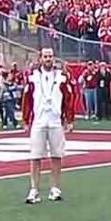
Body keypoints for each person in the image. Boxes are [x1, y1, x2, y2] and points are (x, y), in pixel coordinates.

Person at [22, 49, 75, 204]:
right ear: (40, 58)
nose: (48, 59)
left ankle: (55, 188)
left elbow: (68, 98)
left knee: (57, 155)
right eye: (45, 56)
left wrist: (69, 119)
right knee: (35, 156)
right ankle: (34, 190)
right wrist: (26, 119)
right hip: (38, 120)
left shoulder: (61, 76)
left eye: (50, 56)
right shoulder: (33, 77)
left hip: (55, 120)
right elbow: (27, 98)